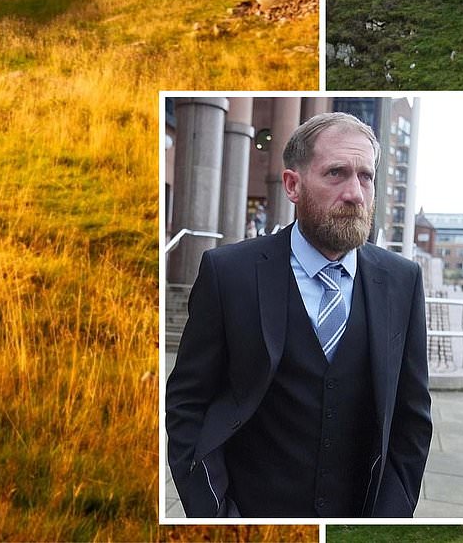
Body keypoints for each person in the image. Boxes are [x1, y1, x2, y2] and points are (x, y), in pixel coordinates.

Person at [166, 112, 432, 519]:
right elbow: (188, 404)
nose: (355, 194)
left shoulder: (402, 281)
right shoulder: (229, 273)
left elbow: (411, 421)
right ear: (292, 185)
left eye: (365, 176)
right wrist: (216, 515)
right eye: (336, 174)